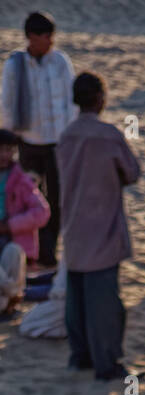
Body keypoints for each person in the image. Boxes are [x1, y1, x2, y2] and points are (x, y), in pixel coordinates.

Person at [56, 72, 140, 381]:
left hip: (74, 225)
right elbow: (131, 172)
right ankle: (107, 364)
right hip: (103, 226)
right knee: (103, 300)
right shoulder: (108, 135)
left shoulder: (66, 135)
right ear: (101, 99)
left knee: (76, 296)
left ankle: (80, 357)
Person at [0, 11, 73, 268]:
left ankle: (49, 252)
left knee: (56, 199)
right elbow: (7, 102)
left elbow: (69, 101)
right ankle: (31, 252)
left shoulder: (61, 62)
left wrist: (69, 135)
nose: (50, 41)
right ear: (31, 37)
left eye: (51, 36)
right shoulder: (15, 65)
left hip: (57, 143)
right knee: (29, 198)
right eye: (45, 36)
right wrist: (8, 140)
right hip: (28, 143)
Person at [0, 127, 50, 314]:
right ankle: (14, 293)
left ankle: (10, 297)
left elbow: (42, 212)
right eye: (1, 150)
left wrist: (9, 226)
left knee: (13, 252)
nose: (5, 155)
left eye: (9, 150)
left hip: (12, 242)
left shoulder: (21, 180)